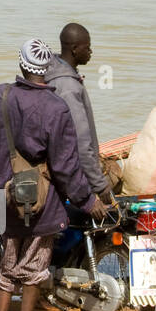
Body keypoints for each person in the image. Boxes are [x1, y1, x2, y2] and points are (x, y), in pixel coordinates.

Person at [0, 40, 107, 311]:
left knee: (8, 262)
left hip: (4, 194)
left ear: (21, 64)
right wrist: (88, 200)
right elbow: (65, 165)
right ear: (46, 69)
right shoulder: (56, 107)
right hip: (42, 199)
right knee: (35, 266)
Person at [44, 22, 114, 201]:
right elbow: (81, 143)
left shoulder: (56, 74)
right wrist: (100, 186)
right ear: (75, 49)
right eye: (88, 47)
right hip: (70, 177)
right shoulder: (67, 87)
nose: (90, 52)